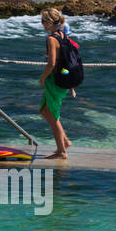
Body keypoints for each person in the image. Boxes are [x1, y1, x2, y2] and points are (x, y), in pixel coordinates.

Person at [39, 8, 74, 159]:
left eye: (43, 21)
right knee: (45, 111)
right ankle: (64, 141)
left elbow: (52, 63)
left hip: (54, 81)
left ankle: (62, 151)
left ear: (50, 22)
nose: (42, 24)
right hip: (63, 79)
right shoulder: (63, 36)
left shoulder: (51, 39)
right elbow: (67, 61)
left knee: (52, 116)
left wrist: (42, 78)